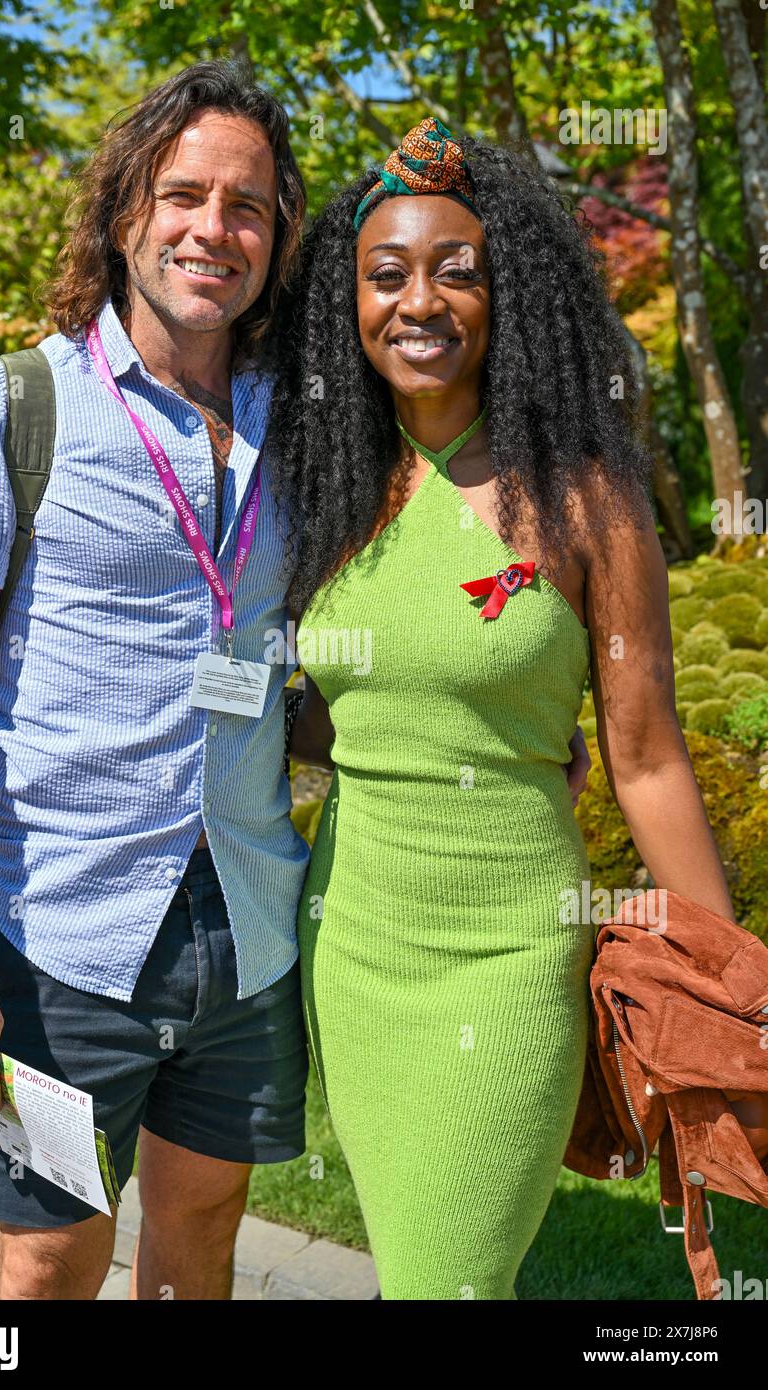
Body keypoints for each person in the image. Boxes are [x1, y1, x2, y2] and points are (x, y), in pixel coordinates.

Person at [269, 117, 735, 1300]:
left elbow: (644, 758)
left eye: (453, 271)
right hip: (355, 944)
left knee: (449, 1279)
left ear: (506, 294)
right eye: (385, 276)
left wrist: (732, 982)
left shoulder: (585, 500)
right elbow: (347, 710)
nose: (416, 302)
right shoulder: (325, 483)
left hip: (508, 955)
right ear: (348, 303)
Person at [0, 61, 313, 1301]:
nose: (213, 229)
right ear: (124, 209)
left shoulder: (298, 425)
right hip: (56, 940)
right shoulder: (4, 408)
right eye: (184, 194)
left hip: (248, 930)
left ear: (276, 237)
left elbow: (295, 667)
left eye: (248, 206)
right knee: (45, 1264)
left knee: (202, 1249)